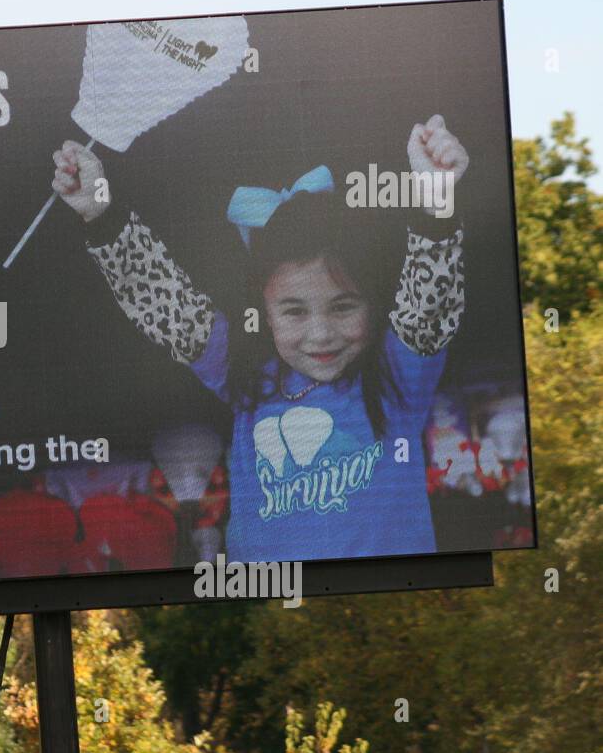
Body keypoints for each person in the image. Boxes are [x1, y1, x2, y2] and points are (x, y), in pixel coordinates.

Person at [51, 116, 469, 561]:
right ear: (265, 313)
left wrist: (437, 199)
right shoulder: (244, 375)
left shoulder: (397, 375)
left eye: (343, 306)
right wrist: (98, 209)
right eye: (293, 311)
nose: (321, 333)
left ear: (374, 304)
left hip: (379, 608)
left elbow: (430, 301)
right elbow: (162, 300)